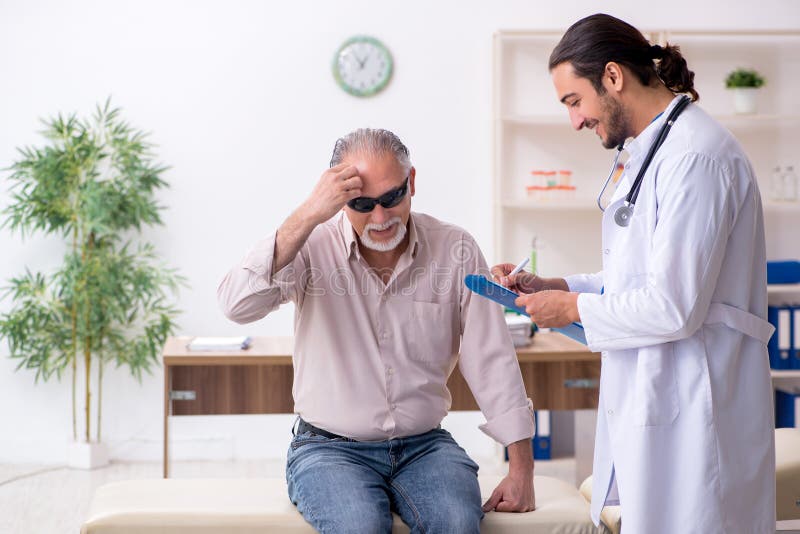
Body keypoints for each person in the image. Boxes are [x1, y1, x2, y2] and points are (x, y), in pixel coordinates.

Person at [492, 14, 775, 534]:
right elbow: (636, 276)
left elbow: (673, 305)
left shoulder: (697, 157)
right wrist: (557, 287)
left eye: (574, 101)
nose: (574, 121)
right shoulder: (655, 152)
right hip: (663, 391)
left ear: (614, 77)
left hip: (701, 402)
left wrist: (572, 310)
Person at [218, 128, 536, 533]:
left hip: (425, 447)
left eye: (391, 198)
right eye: (362, 204)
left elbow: (492, 359)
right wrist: (308, 213)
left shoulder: (455, 249)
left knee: (457, 523)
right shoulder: (310, 245)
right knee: (360, 527)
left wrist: (521, 469)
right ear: (337, 201)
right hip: (328, 449)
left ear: (412, 182)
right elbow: (235, 304)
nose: (381, 218)